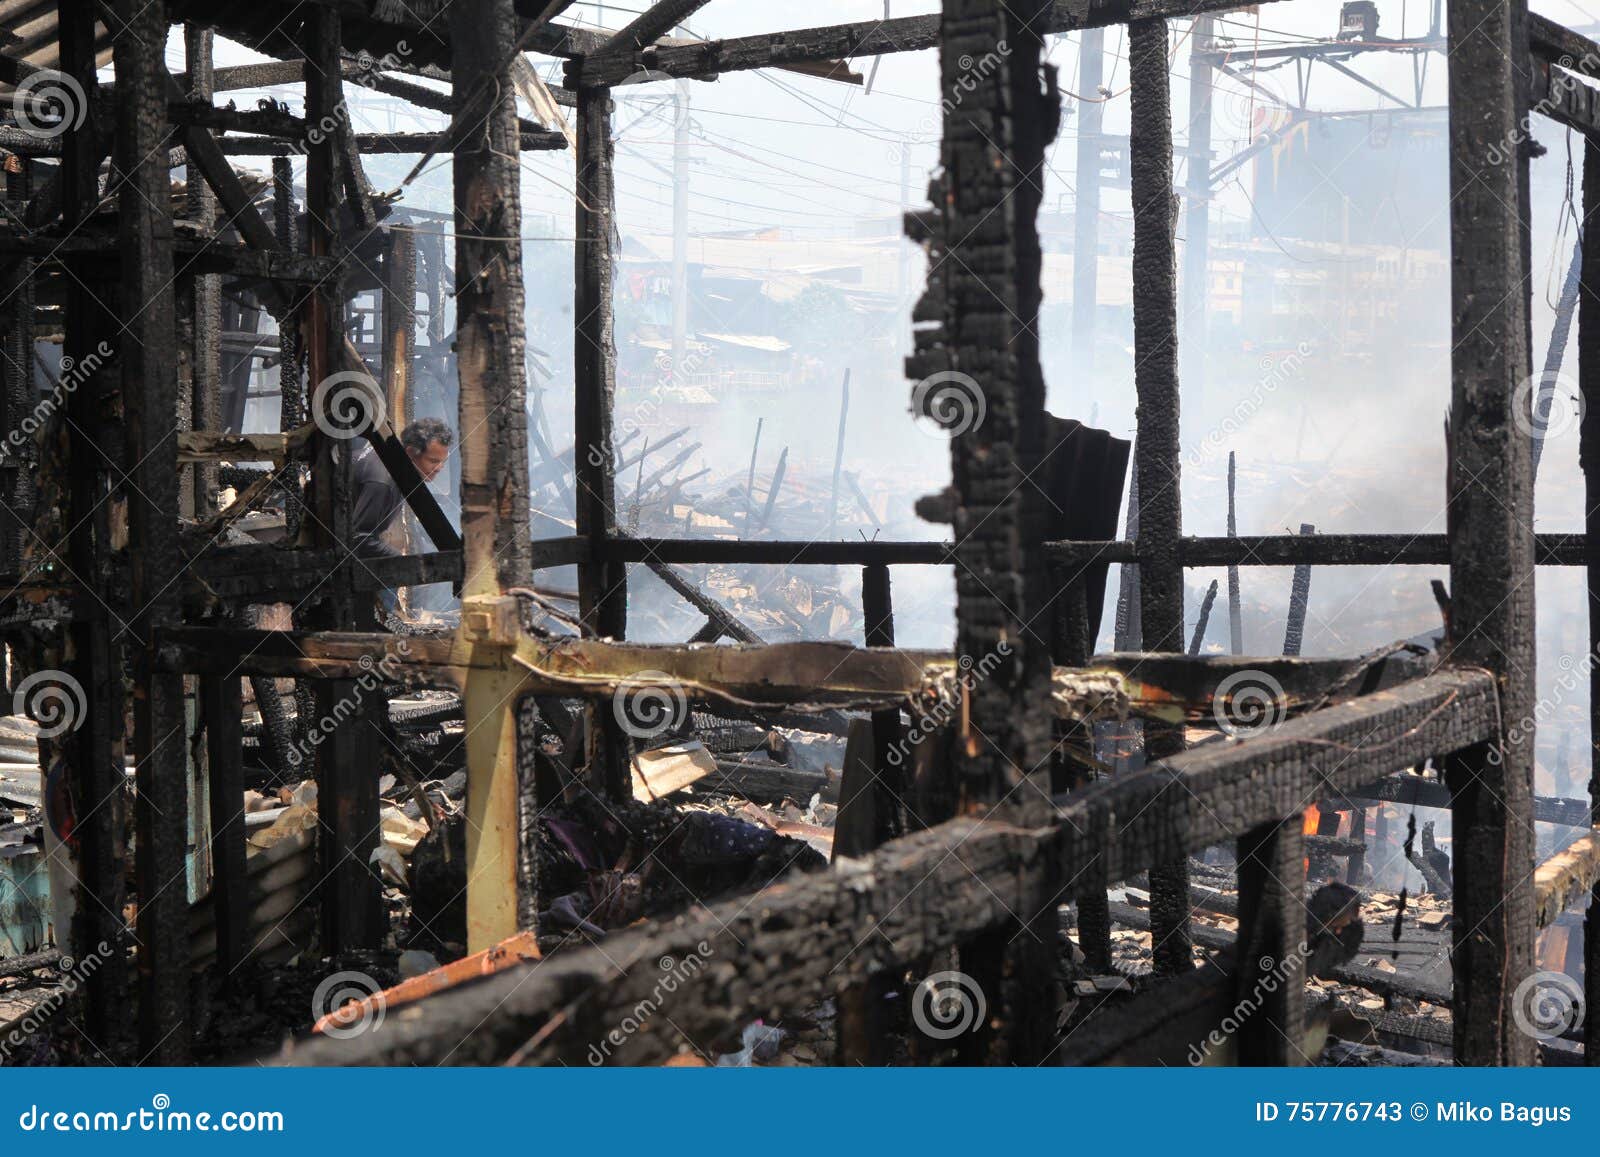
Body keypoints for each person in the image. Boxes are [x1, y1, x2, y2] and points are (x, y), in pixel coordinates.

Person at [351, 417, 453, 559]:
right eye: (434, 461)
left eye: (443, 462)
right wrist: (406, 565)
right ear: (410, 452)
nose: (439, 468)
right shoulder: (384, 482)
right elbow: (359, 539)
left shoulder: (396, 467)